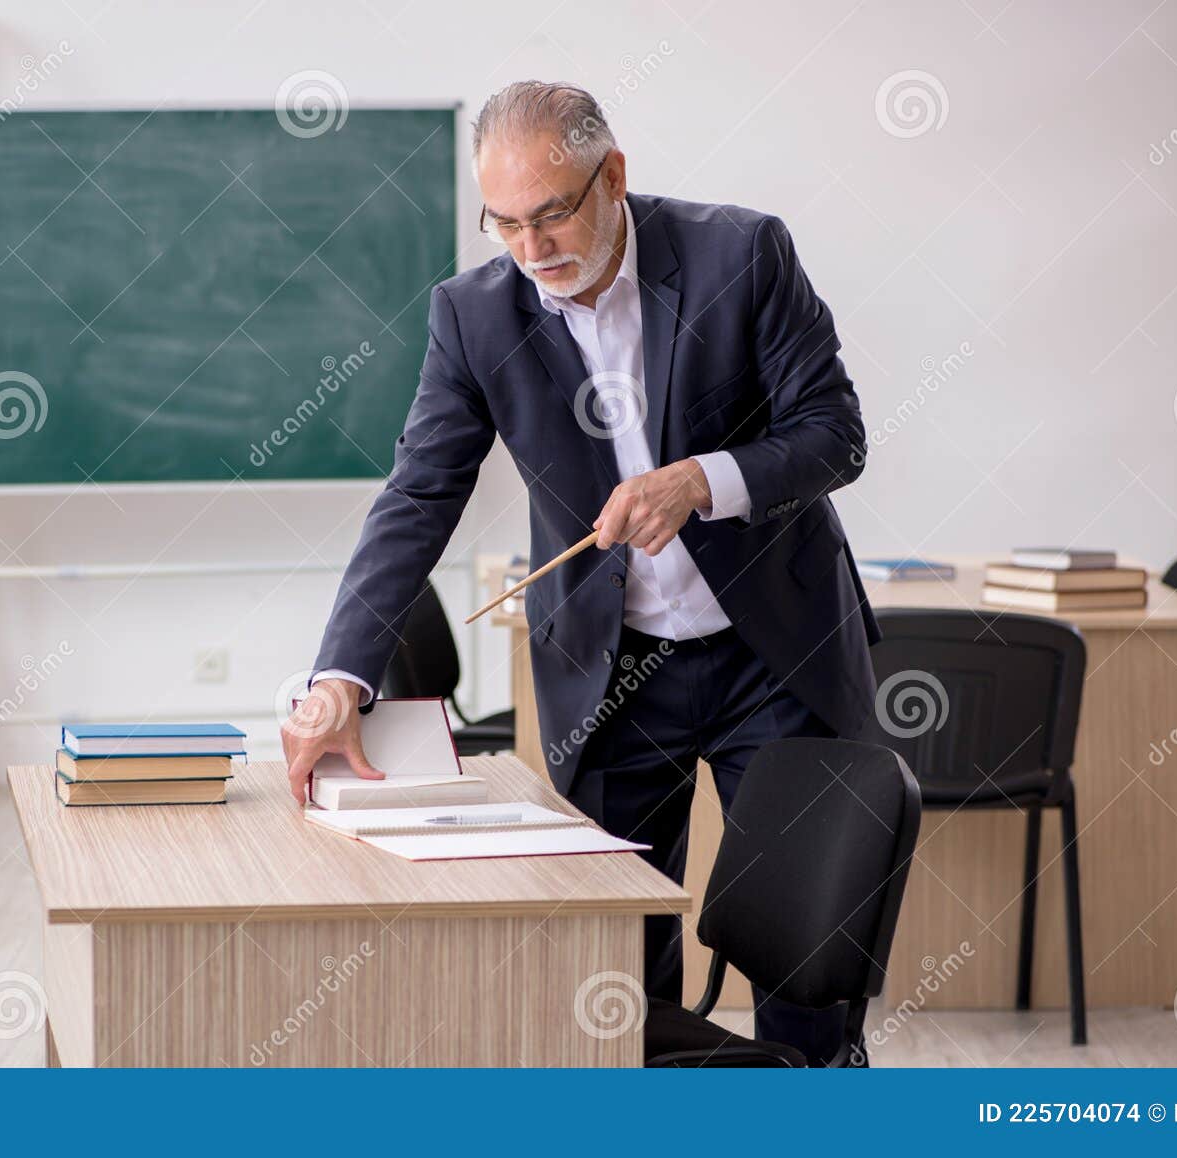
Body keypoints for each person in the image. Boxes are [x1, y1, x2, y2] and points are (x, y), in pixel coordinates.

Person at [282, 80, 879, 1064]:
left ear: (613, 177)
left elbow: (833, 436)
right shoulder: (471, 316)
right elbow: (418, 495)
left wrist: (699, 480)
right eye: (505, 224)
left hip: (774, 658)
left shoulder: (740, 252)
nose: (533, 248)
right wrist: (339, 678)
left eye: (553, 212)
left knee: (808, 973)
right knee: (612, 984)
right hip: (614, 678)